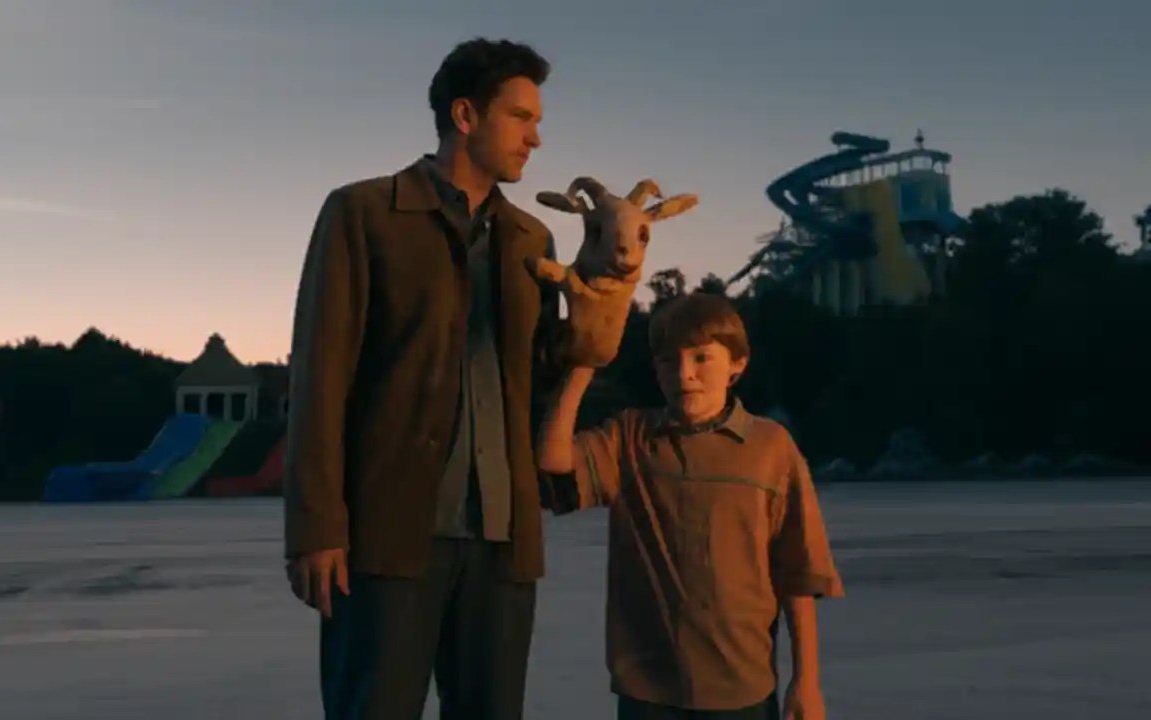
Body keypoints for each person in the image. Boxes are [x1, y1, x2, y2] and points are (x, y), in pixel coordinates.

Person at [283, 37, 562, 719]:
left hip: (503, 542)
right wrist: (316, 526)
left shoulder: (533, 242)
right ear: (465, 116)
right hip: (387, 537)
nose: (535, 138)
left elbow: (545, 379)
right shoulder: (363, 214)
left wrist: (604, 302)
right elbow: (319, 379)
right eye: (520, 117)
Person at [536, 292, 845, 720]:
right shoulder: (631, 438)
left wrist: (806, 682)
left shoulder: (772, 447)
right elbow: (552, 461)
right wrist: (585, 362)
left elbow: (798, 574)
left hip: (744, 689)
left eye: (702, 358)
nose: (684, 375)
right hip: (648, 691)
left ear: (737, 364)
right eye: (668, 361)